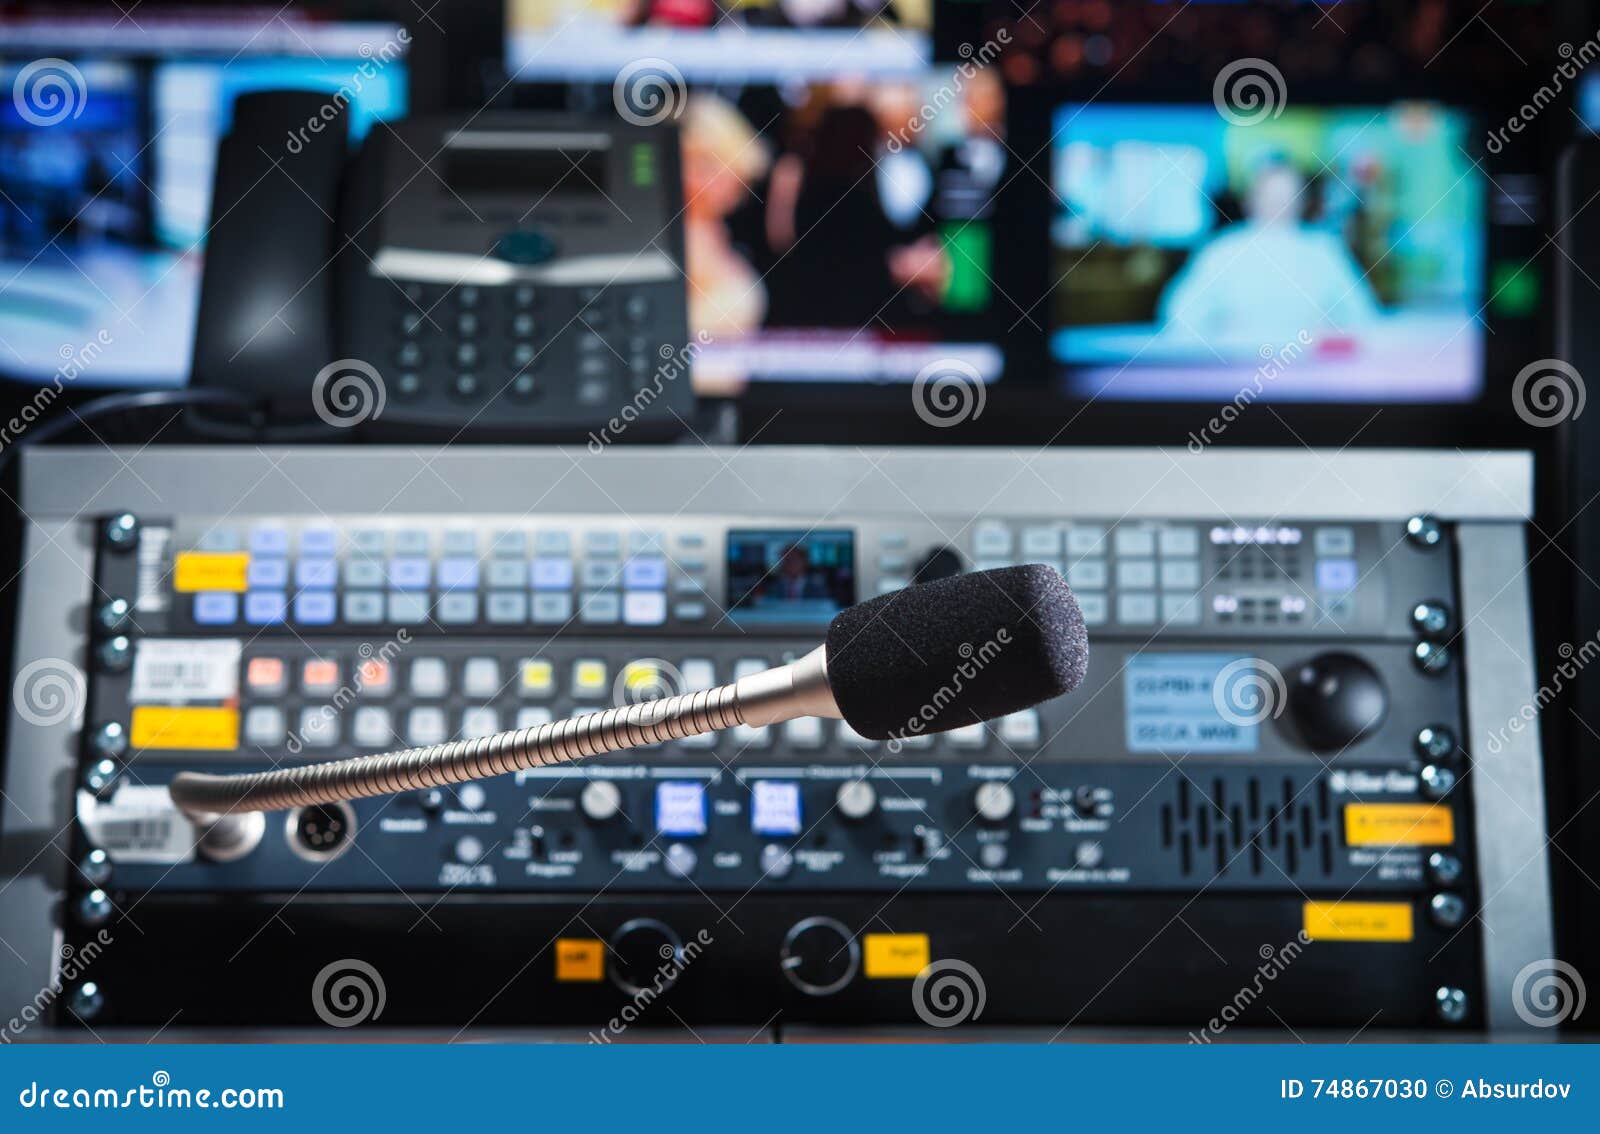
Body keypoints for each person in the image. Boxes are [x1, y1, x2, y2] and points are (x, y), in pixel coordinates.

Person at [1157, 160, 1380, 350]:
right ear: (1251, 199)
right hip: (1234, 370)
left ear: (1300, 200)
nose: (1280, 202)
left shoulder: (1323, 249)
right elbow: (1180, 317)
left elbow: (1361, 316)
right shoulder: (1223, 249)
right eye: (1271, 194)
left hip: (1310, 372)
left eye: (1288, 195)